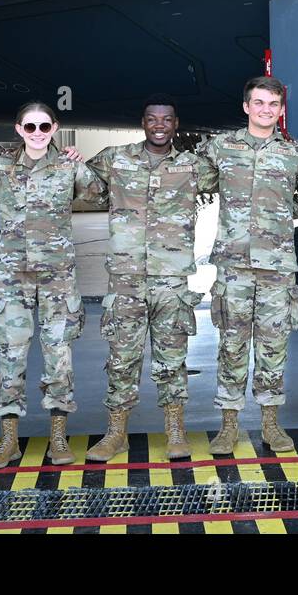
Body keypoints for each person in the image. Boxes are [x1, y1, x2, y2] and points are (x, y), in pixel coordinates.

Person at [85, 99, 216, 461]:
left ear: (176, 125)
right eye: (153, 119)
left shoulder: (194, 166)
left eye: (167, 120)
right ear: (143, 122)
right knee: (121, 359)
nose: (160, 125)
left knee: (172, 359)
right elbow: (82, 186)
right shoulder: (114, 159)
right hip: (126, 279)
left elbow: (236, 185)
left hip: (171, 279)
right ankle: (116, 433)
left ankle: (175, 430)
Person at [193, 77, 298, 454]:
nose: (266, 110)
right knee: (231, 345)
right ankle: (229, 425)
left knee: (273, 347)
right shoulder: (221, 147)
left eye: (273, 104)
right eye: (259, 103)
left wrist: (279, 215)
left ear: (281, 110)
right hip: (234, 266)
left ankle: (270, 424)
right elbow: (193, 178)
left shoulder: (294, 153)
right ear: (247, 106)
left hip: (277, 266)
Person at [0, 102, 105, 468]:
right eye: (30, 127)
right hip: (12, 279)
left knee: (59, 358)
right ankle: (8, 441)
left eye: (44, 126)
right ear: (18, 129)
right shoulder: (0, 165)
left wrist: (79, 162)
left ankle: (58, 438)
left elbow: (99, 192)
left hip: (57, 279)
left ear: (55, 127)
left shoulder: (68, 166)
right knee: (10, 357)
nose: (38, 133)